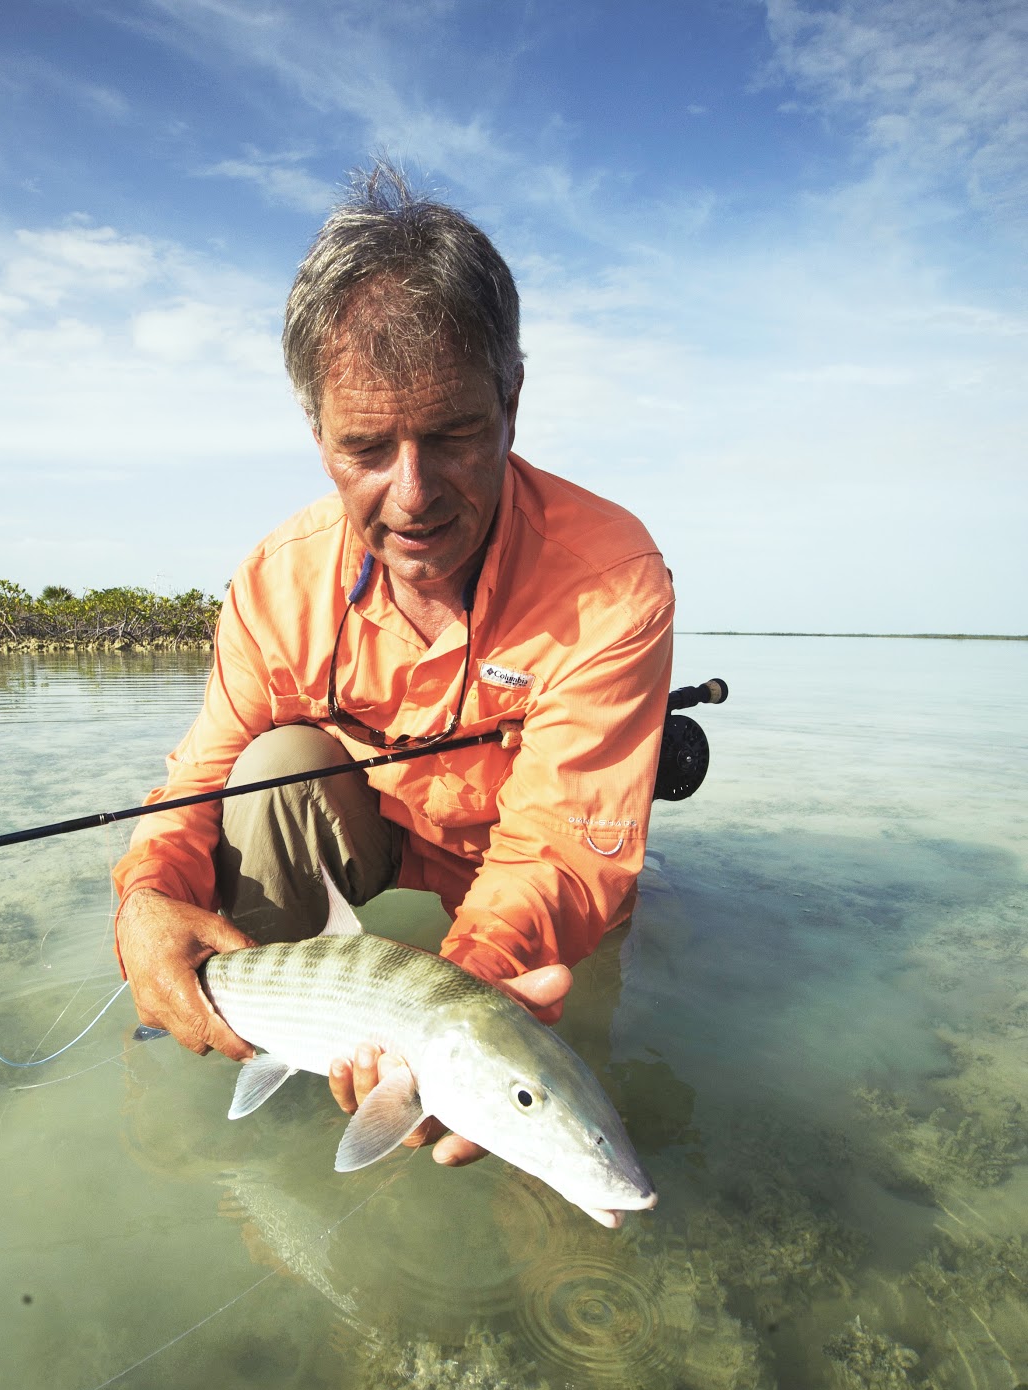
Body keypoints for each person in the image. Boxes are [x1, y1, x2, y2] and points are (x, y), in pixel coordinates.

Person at [114, 163, 674, 1169]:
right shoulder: (277, 583)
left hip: (535, 903)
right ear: (317, 435)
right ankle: (272, 1063)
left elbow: (560, 848)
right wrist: (146, 899)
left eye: (453, 434)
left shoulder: (610, 580)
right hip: (373, 846)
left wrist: (464, 1011)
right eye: (367, 447)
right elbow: (196, 783)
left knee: (553, 1084)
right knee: (269, 769)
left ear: (511, 399)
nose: (412, 494)